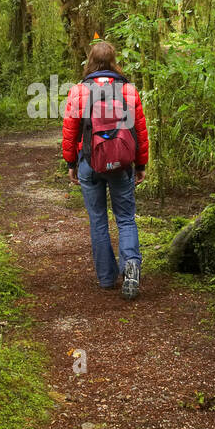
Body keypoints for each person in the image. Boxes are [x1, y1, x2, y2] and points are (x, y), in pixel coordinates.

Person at [61, 40, 149, 300]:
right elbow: (140, 132)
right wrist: (141, 164)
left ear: (90, 61)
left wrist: (71, 163)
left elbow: (70, 130)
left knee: (98, 219)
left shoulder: (79, 91)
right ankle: (131, 266)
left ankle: (106, 278)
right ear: (113, 61)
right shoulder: (128, 90)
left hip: (89, 162)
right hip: (122, 163)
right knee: (125, 218)